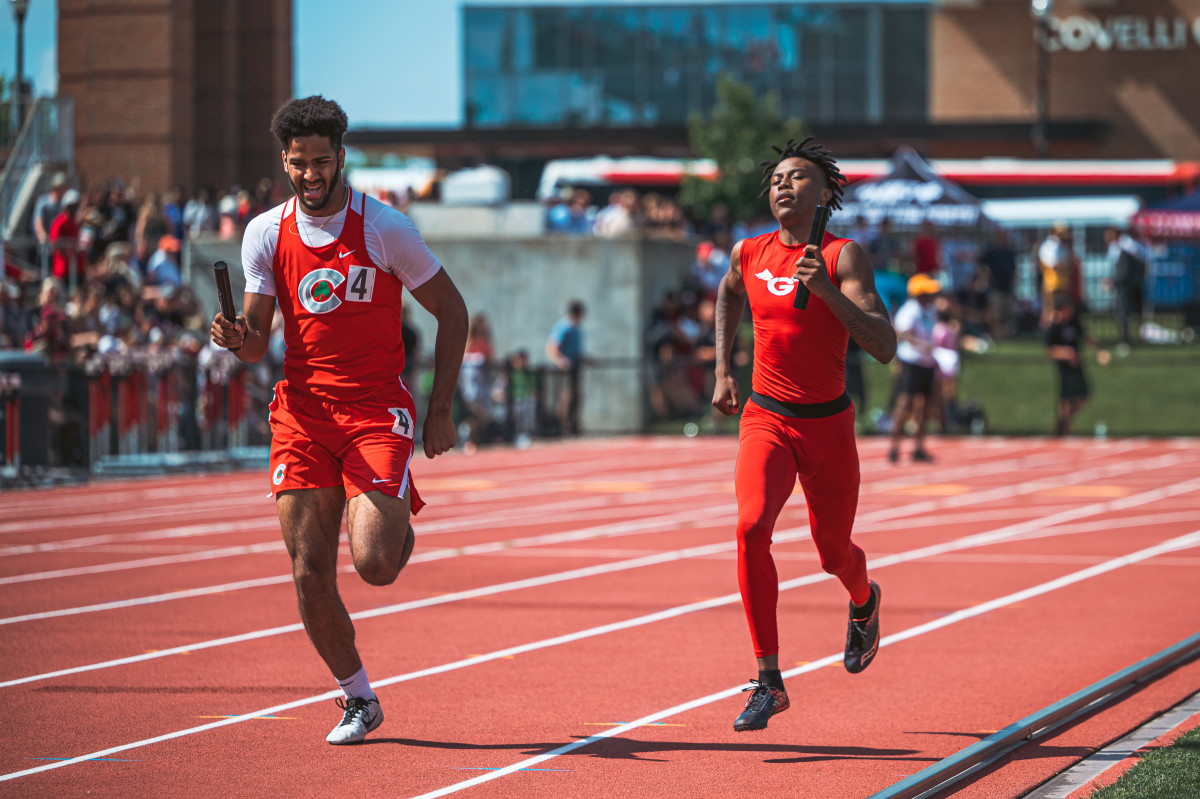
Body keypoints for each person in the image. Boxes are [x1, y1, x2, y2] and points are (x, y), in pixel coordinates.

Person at [210, 96, 468, 745]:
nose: (311, 175)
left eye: (321, 162)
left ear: (341, 157)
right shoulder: (265, 233)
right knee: (308, 571)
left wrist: (440, 408)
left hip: (375, 412)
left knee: (375, 564)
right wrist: (235, 338)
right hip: (301, 415)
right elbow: (256, 343)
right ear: (285, 161)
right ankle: (358, 697)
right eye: (300, 163)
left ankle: (393, 523)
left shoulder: (384, 228)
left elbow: (453, 311)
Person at [711, 138, 897, 733]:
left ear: (824, 194)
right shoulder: (749, 252)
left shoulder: (843, 257)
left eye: (797, 177)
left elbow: (884, 347)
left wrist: (827, 292)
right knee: (749, 528)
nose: (783, 185)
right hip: (767, 418)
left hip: (829, 427)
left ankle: (864, 600)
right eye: (776, 179)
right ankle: (769, 680)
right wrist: (722, 369)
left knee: (832, 553)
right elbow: (727, 293)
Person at [887, 274, 941, 464]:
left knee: (924, 404)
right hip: (911, 361)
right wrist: (922, 345)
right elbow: (903, 333)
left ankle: (918, 446)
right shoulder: (910, 310)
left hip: (926, 362)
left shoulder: (931, 310)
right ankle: (894, 446)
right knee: (904, 402)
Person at [1046, 298, 1109, 435]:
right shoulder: (1054, 328)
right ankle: (1065, 427)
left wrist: (1099, 348)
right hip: (1064, 368)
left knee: (1084, 395)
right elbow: (1050, 351)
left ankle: (1064, 421)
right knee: (1066, 398)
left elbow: (1085, 337)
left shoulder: (1073, 323)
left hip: (1077, 366)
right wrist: (1066, 354)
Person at [545, 300, 586, 436]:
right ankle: (559, 427)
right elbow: (552, 347)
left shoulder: (577, 328)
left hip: (575, 368)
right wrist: (560, 361)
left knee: (576, 397)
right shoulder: (563, 327)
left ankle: (572, 426)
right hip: (564, 371)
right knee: (565, 397)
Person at [1104, 227, 1146, 347]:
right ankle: (1131, 337)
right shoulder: (1117, 246)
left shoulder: (1126, 246)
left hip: (1126, 285)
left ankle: (1126, 339)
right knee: (1128, 312)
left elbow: (1124, 268)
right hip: (1126, 283)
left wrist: (1115, 281)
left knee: (1125, 312)